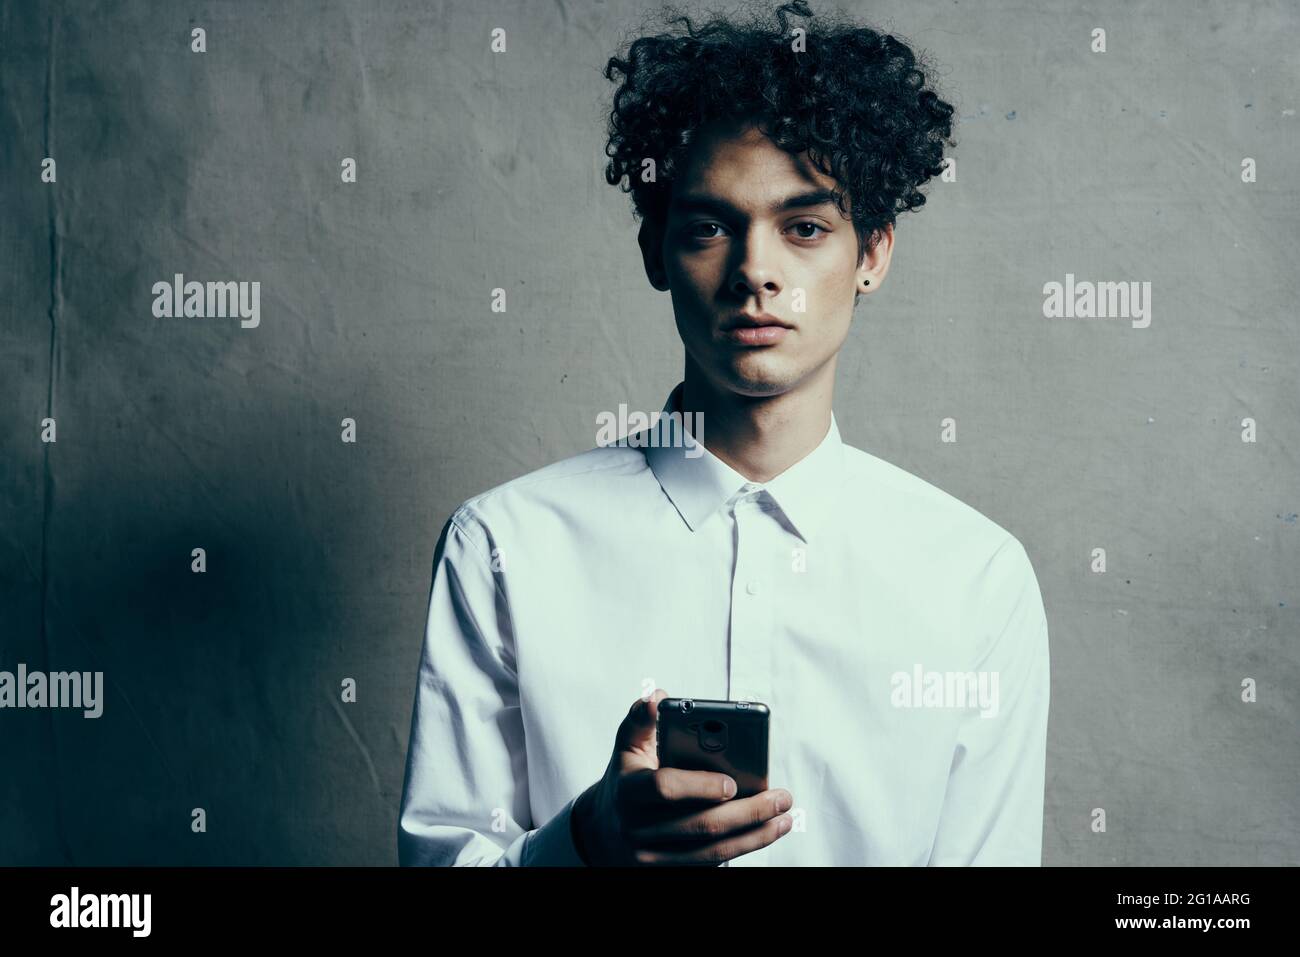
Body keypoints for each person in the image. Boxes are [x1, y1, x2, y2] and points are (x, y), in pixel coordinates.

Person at [398, 0, 1050, 866]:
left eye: (805, 228)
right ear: (655, 250)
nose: (755, 271)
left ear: (874, 254)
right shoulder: (503, 547)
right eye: (709, 226)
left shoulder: (976, 579)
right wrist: (585, 843)